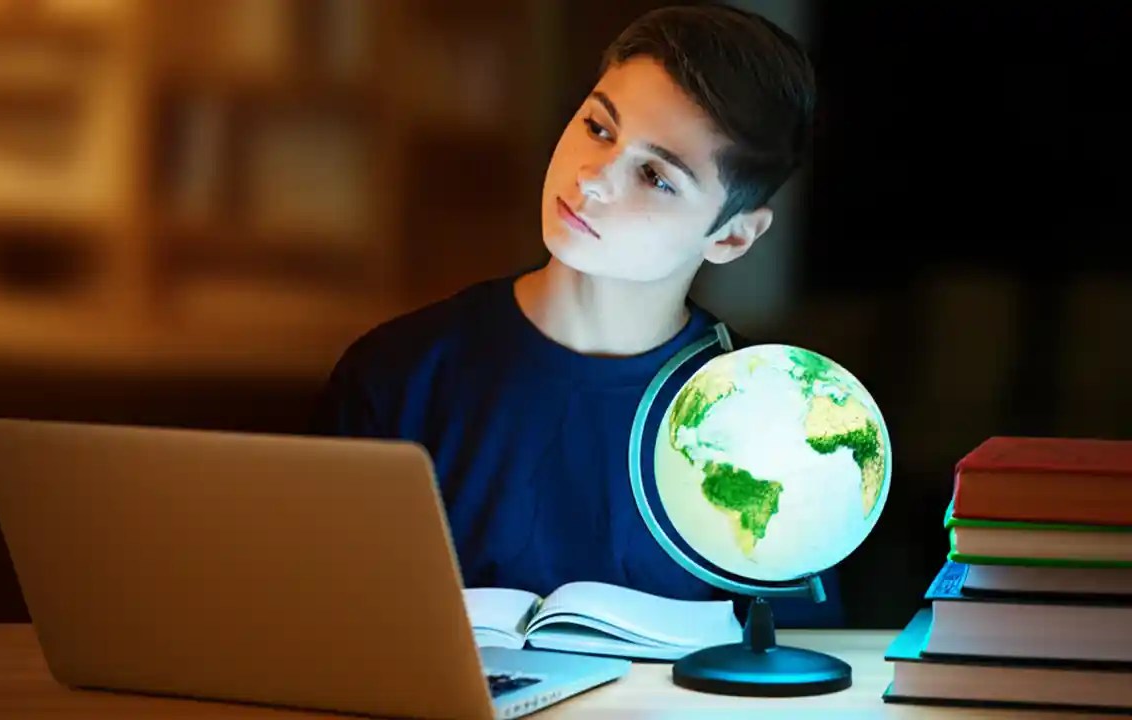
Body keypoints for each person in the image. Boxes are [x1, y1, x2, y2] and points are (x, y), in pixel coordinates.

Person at [311, 2, 842, 627]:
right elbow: (323, 631)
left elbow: (797, 680)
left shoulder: (774, 425)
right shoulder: (397, 377)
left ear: (731, 237)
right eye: (598, 127)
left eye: (654, 175)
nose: (593, 179)